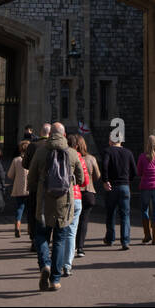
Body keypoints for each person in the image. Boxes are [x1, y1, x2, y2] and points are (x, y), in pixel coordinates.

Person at [25, 122, 84, 290]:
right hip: (64, 204)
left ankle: (45, 264)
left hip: (43, 203)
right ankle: (55, 279)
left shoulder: (41, 152)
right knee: (59, 240)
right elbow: (80, 180)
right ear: (64, 135)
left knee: (41, 236)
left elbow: (32, 178)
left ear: (51, 134)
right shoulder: (72, 153)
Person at [100, 133, 139, 249]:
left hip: (112, 186)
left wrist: (105, 180)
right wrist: (128, 180)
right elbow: (134, 171)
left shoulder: (108, 151)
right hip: (125, 186)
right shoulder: (128, 153)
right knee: (125, 214)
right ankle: (125, 241)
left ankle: (110, 238)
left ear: (110, 141)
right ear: (121, 141)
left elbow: (104, 166)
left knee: (111, 213)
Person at [62, 132, 90, 275]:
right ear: (76, 145)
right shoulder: (78, 156)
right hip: (76, 196)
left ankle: (58, 262)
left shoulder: (58, 154)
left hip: (59, 197)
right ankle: (67, 265)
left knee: (61, 232)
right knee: (71, 233)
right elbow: (85, 181)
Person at [74, 135, 101, 257]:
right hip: (89, 192)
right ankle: (80, 247)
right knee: (84, 221)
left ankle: (72, 245)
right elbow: (97, 175)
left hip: (76, 192)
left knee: (73, 220)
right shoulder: (91, 158)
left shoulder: (73, 158)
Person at [137, 134, 155, 245]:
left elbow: (139, 172)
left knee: (144, 210)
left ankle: (147, 235)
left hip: (145, 186)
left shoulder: (143, 157)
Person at [6, 139, 31, 238]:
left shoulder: (16, 160)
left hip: (19, 189)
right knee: (30, 210)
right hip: (30, 189)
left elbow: (10, 175)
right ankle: (30, 228)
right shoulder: (32, 159)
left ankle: (17, 225)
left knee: (19, 208)